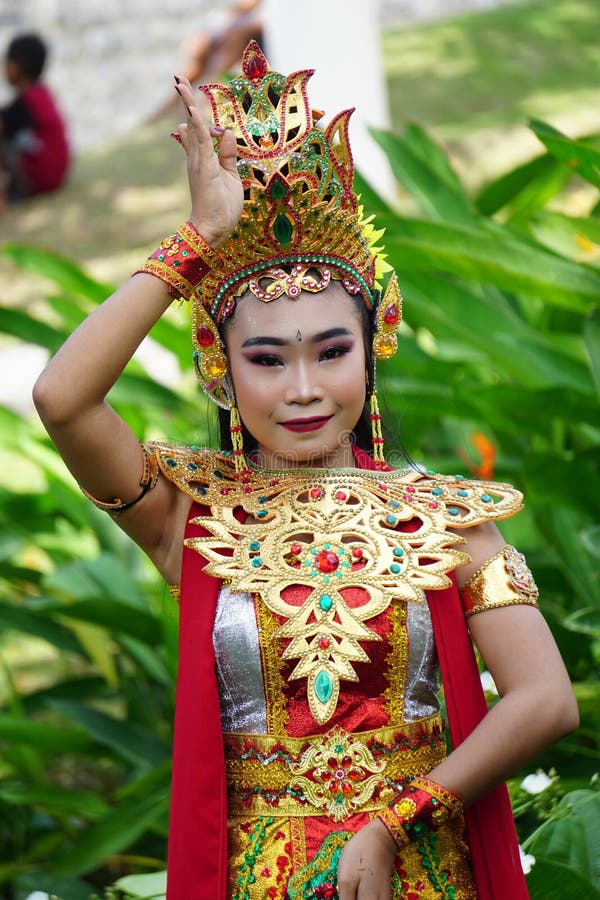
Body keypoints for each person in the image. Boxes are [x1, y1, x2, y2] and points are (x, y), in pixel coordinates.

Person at [32, 41, 578, 900]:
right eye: (266, 359)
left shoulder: (444, 519)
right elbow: (62, 399)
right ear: (218, 363)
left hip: (416, 874)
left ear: (374, 343)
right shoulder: (191, 517)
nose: (303, 389)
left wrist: (395, 822)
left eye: (330, 351)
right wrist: (196, 243)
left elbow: (545, 699)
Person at [148, 0, 263, 122]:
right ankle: (171, 106)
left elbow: (249, 6)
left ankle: (202, 103)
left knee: (235, 40)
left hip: (256, 24)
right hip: (233, 21)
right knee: (198, 55)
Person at [0, 32, 70, 211]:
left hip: (42, 177)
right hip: (57, 173)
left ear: (15, 67)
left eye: (5, 62)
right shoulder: (41, 94)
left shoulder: (27, 102)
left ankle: (3, 198)